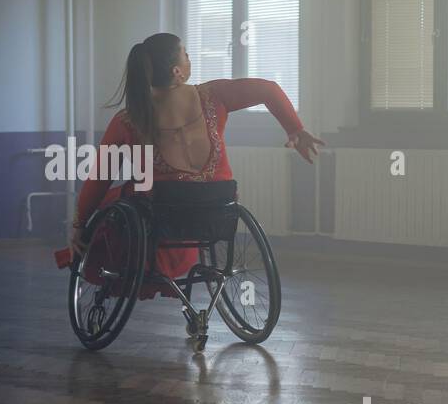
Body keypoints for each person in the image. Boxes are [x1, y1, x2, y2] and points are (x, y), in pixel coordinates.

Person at [59, 32, 323, 293]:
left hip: (165, 216)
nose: (190, 58)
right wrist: (295, 130)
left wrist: (78, 225)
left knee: (117, 202)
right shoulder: (214, 96)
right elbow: (269, 89)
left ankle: (123, 275)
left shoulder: (128, 120)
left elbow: (100, 178)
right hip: (216, 209)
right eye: (186, 54)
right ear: (177, 71)